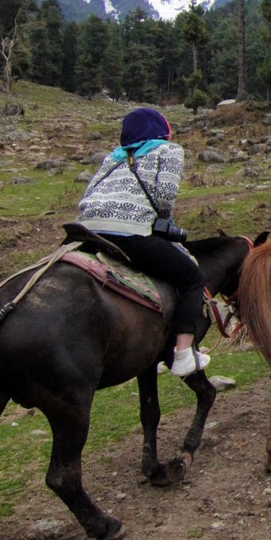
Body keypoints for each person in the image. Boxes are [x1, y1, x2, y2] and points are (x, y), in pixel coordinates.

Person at [76, 107, 210, 377]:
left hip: (86, 231)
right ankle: (183, 353)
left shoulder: (113, 156)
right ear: (163, 130)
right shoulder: (168, 151)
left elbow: (90, 191)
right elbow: (164, 199)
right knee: (192, 278)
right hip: (128, 232)